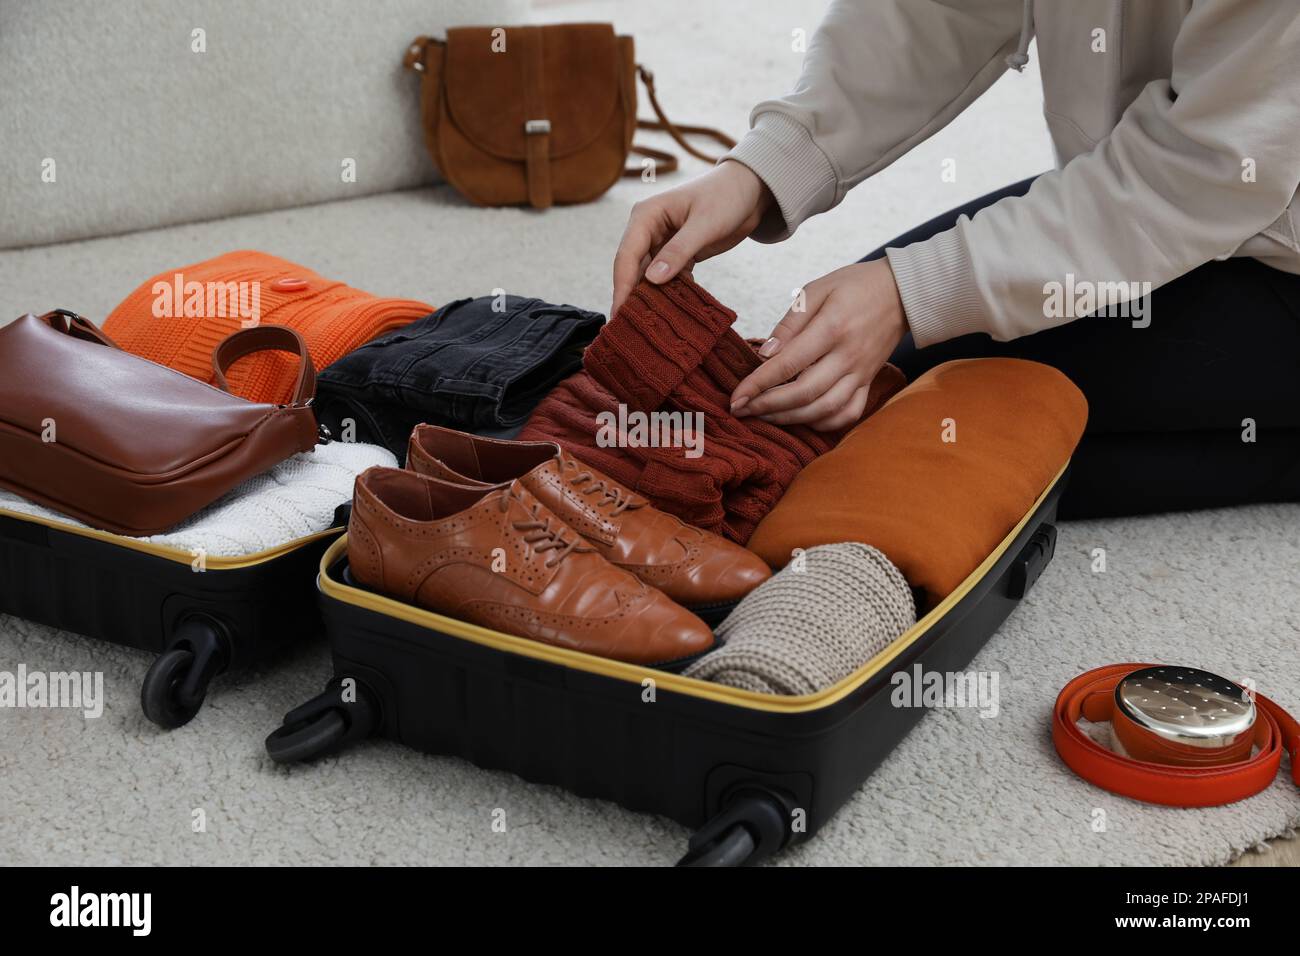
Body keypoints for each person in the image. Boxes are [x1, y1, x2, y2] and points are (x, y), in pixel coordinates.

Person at [611, 0, 1300, 519]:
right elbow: (941, 8)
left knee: (897, 447)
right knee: (851, 392)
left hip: (1264, 245)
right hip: (1160, 192)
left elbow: (1205, 169)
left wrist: (912, 289)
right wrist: (765, 170)